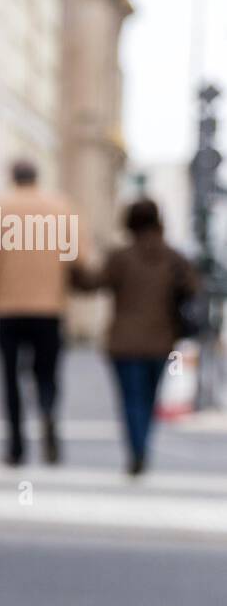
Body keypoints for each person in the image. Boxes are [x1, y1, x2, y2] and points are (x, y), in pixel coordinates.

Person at [73, 199, 199, 476]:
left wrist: (72, 264)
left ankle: (137, 450)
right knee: (149, 399)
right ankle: (142, 448)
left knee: (131, 399)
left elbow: (92, 283)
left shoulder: (121, 257)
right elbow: (193, 289)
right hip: (160, 341)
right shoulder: (173, 258)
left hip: (124, 342)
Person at [0, 160, 81, 467]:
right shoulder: (61, 209)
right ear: (37, 177)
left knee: (9, 378)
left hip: (7, 309)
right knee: (47, 374)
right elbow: (79, 258)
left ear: (12, 178)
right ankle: (47, 411)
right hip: (49, 309)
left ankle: (16, 446)